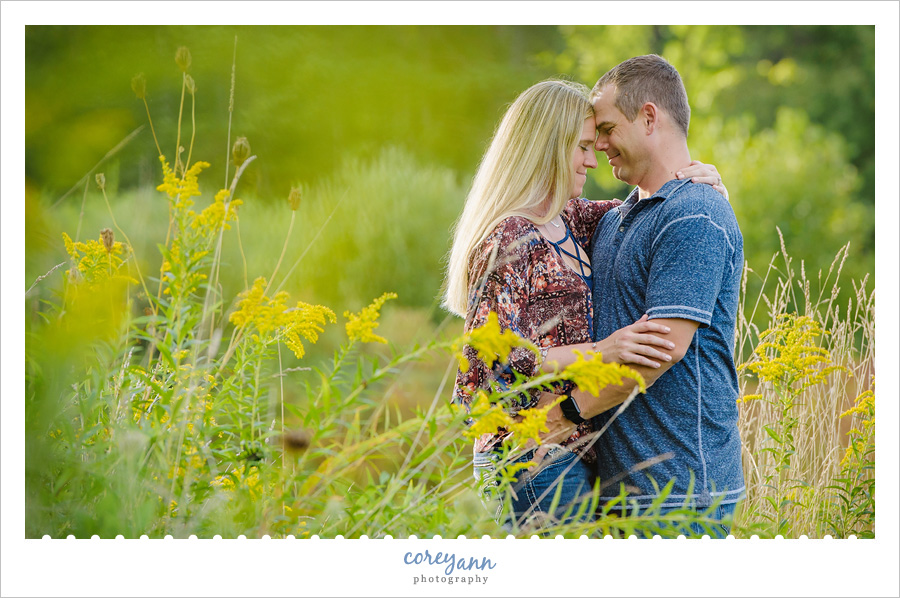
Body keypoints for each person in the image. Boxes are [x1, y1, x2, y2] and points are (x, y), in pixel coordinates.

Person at [444, 78, 726, 530]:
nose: (593, 160)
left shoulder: (573, 220)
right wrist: (600, 353)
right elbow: (485, 363)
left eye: (595, 145)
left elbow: (653, 212)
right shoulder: (508, 238)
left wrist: (703, 183)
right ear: (546, 146)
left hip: (571, 451)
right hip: (527, 453)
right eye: (581, 147)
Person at [532, 55, 745, 537]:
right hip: (620, 488)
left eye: (606, 128)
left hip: (680, 491)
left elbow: (661, 350)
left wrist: (565, 414)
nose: (599, 145)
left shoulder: (695, 214)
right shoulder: (614, 219)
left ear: (649, 117)